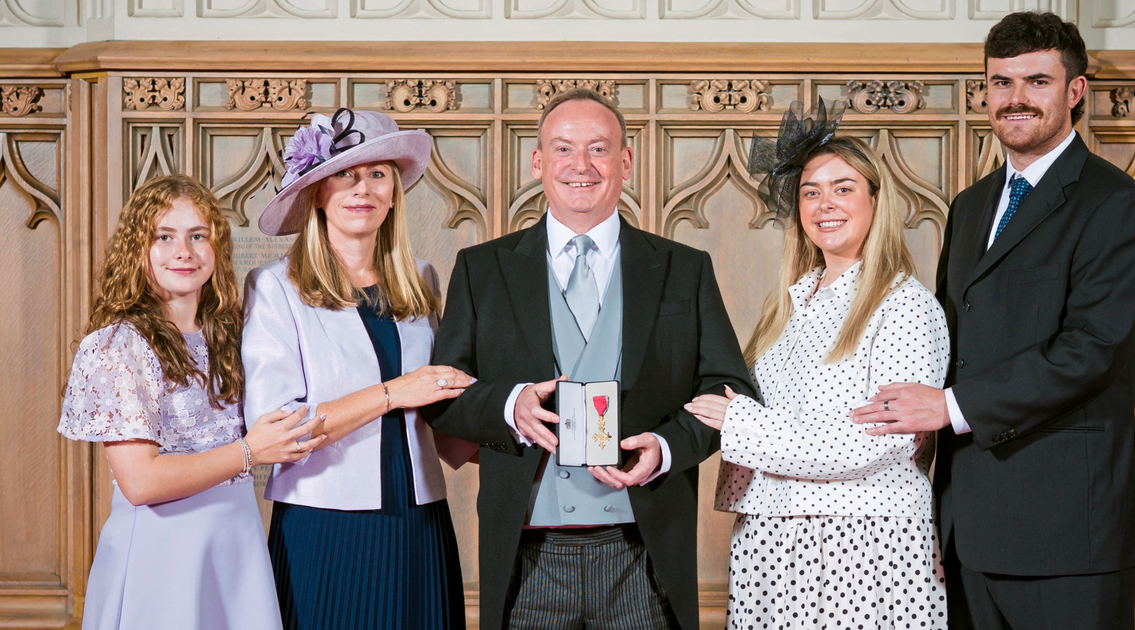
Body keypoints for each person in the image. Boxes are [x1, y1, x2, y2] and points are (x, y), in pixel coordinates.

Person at [849, 12, 1135, 629]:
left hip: (1067, 529)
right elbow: (951, 346)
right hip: (966, 525)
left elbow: (1092, 350)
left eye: (1037, 82)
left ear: (1075, 90)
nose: (1015, 98)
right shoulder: (971, 206)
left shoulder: (1114, 204)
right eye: (1001, 82)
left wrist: (951, 407)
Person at [421, 88, 753, 630]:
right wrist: (508, 406)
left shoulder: (684, 268)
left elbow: (728, 390)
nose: (581, 165)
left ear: (625, 161)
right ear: (538, 162)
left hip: (645, 555)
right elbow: (444, 395)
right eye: (563, 149)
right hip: (527, 560)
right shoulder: (482, 270)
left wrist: (667, 447)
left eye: (599, 149)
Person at [685, 99, 950, 629]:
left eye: (843, 188)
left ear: (876, 200)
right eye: (810, 192)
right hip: (770, 535)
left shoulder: (904, 304)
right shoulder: (789, 305)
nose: (824, 204)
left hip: (864, 540)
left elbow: (883, 440)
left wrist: (743, 424)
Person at [242, 108, 477, 630]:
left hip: (419, 518)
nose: (362, 189)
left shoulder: (421, 279)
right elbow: (275, 428)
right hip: (323, 523)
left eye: (377, 174)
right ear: (316, 192)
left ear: (394, 193)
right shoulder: (274, 286)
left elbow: (442, 408)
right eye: (344, 175)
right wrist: (393, 393)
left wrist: (518, 426)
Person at [57, 174, 319, 630]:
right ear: (137, 249)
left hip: (235, 543)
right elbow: (140, 482)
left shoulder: (233, 336)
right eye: (164, 237)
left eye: (198, 236)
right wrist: (250, 451)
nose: (184, 251)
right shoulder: (118, 345)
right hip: (162, 550)